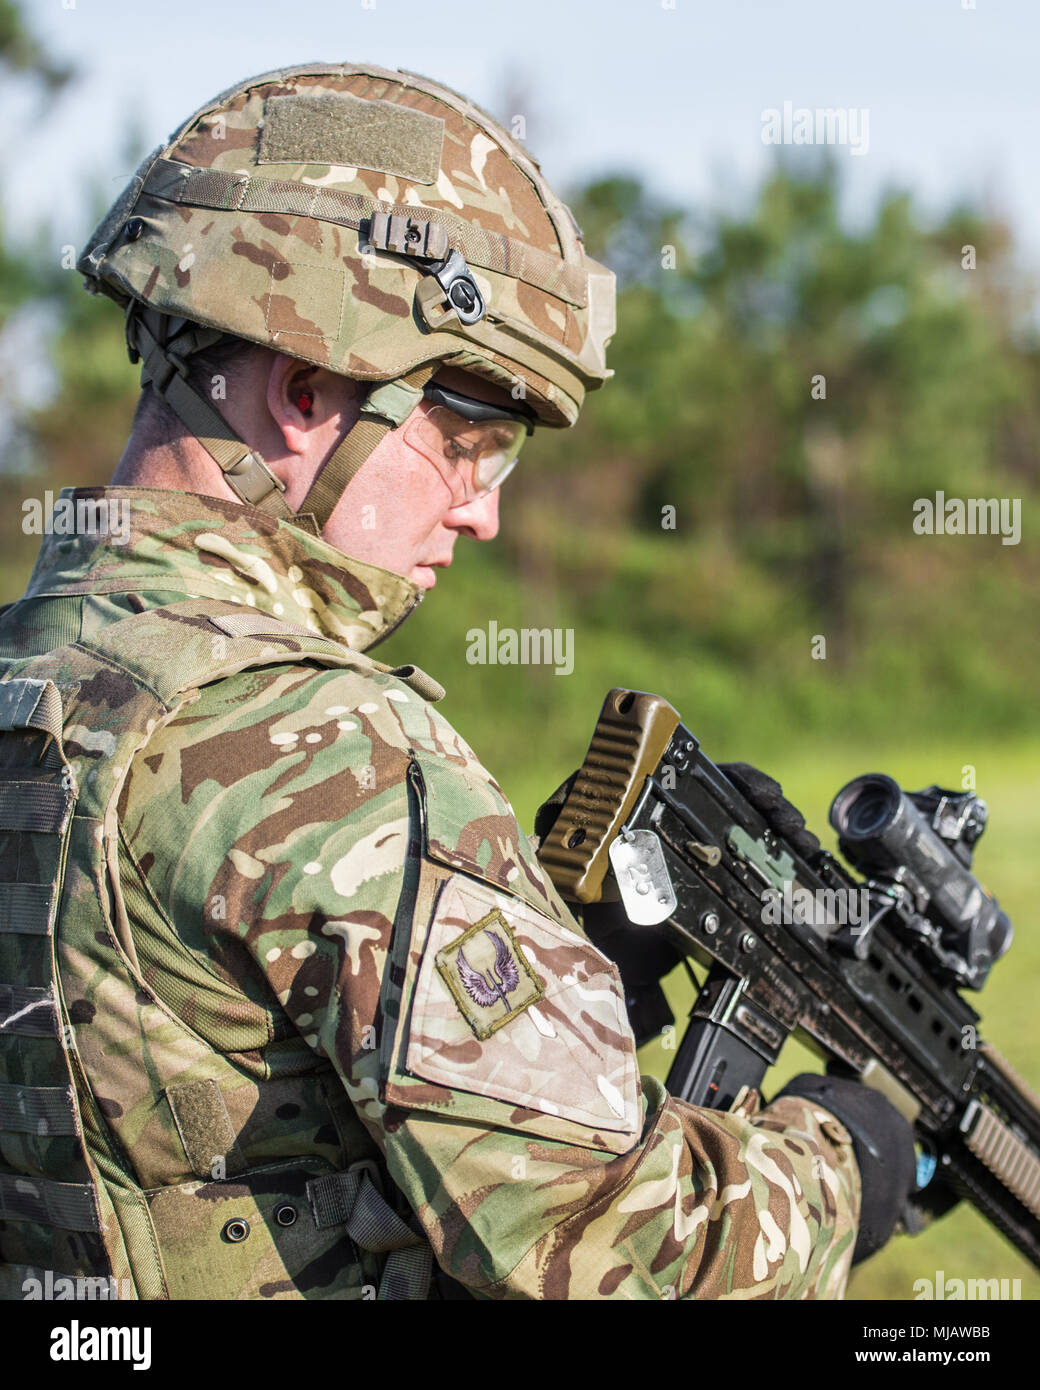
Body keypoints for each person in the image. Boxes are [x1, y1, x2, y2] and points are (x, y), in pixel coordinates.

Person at [0, 62, 914, 1301]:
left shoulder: (34, 679)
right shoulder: (324, 745)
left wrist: (560, 988)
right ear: (309, 388)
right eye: (471, 439)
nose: (481, 509)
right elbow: (616, 1263)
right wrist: (840, 1163)